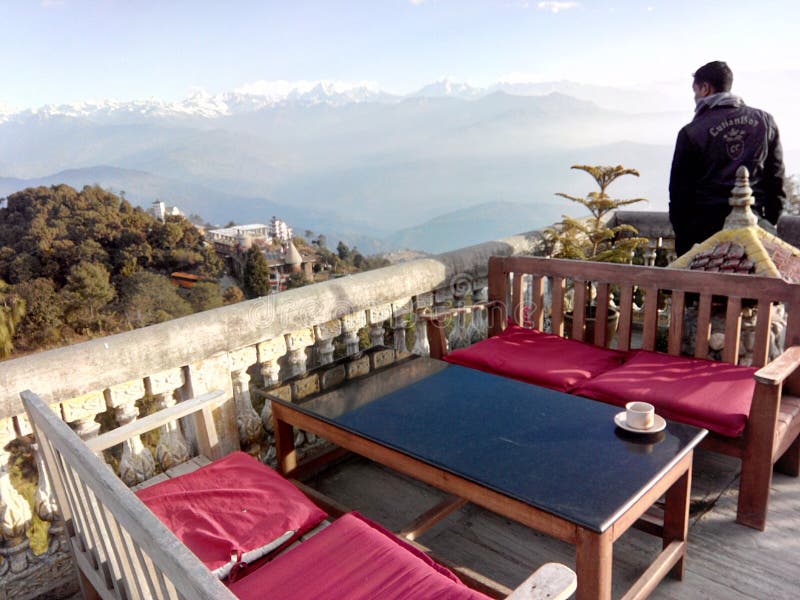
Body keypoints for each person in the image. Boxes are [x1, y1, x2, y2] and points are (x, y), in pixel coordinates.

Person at [669, 61, 786, 255]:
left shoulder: (691, 132)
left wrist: (686, 241)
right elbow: (776, 181)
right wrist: (768, 224)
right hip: (755, 231)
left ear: (705, 88)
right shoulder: (765, 122)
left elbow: (680, 195)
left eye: (695, 91)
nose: (695, 97)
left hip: (705, 234)